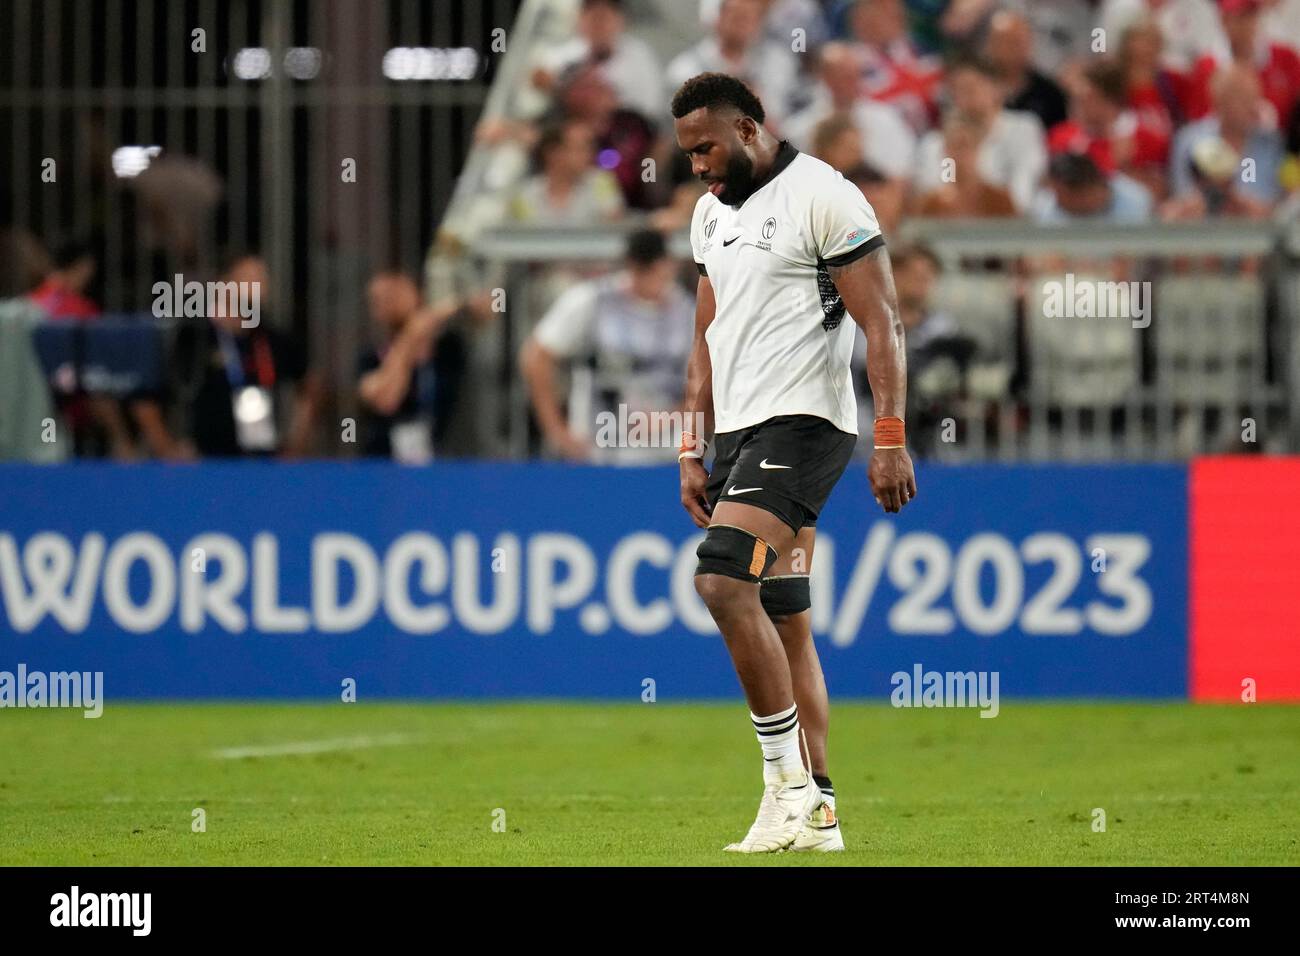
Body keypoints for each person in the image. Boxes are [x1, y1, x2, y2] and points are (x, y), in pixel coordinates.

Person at [671, 72, 916, 853]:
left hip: (805, 425)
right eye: (686, 152)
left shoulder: (825, 196)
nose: (698, 164)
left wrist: (889, 435)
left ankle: (785, 787)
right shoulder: (708, 218)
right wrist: (691, 444)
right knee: (786, 617)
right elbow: (705, 343)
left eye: (706, 146)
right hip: (741, 435)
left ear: (748, 127)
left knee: (718, 578)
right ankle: (822, 813)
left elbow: (884, 322)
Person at [519, 229, 694, 464]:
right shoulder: (592, 301)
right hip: (599, 451)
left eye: (659, 270)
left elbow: (705, 379)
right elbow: (536, 356)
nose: (653, 279)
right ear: (630, 266)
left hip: (667, 454)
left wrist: (675, 415)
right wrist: (556, 431)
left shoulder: (685, 311)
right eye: (644, 271)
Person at [177, 253, 323, 458]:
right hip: (207, 460)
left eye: (263, 280)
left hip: (264, 461)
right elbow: (160, 393)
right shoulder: (195, 336)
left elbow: (311, 387)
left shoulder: (273, 339)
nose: (260, 287)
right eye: (250, 280)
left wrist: (296, 444)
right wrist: (170, 447)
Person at [357, 270, 469, 462]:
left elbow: (487, 306)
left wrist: (451, 307)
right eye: (377, 300)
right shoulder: (370, 358)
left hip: (445, 464)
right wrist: (409, 340)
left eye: (393, 295)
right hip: (383, 465)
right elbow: (387, 400)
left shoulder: (449, 349)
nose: (386, 303)